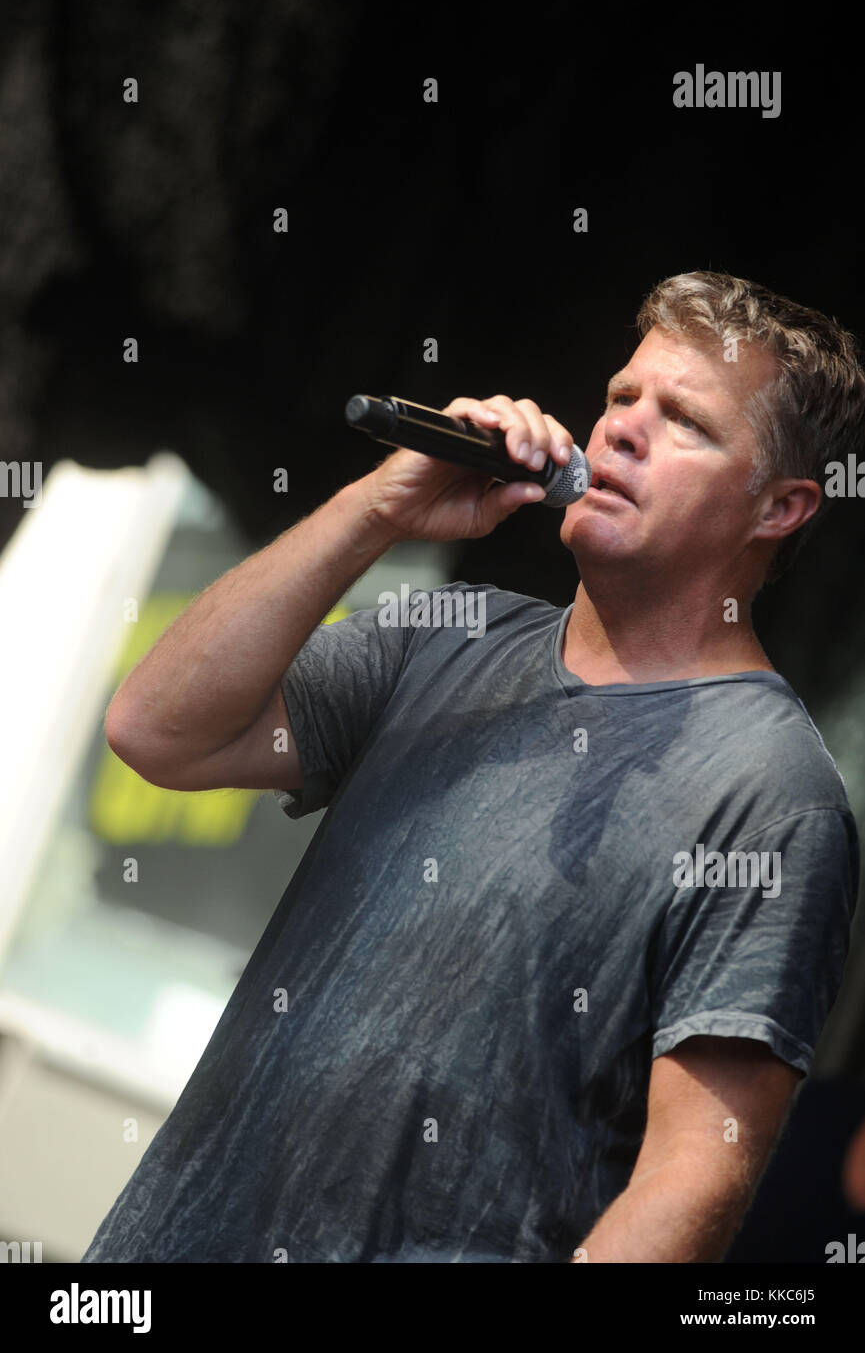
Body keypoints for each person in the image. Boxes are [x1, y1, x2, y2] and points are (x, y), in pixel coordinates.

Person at [82, 270, 863, 1263]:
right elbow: (160, 729)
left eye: (685, 423)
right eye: (622, 397)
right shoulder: (440, 640)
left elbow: (693, 1172)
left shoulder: (769, 792)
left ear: (779, 508)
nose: (622, 429)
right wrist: (378, 509)